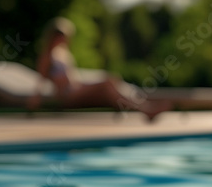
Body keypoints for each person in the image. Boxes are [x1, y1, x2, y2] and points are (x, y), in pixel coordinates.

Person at [30, 18, 171, 122]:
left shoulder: (64, 53)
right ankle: (145, 110)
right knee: (107, 83)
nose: (64, 40)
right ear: (53, 37)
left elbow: (72, 76)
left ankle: (143, 107)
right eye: (60, 37)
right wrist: (34, 104)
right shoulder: (47, 56)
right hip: (66, 95)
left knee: (112, 80)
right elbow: (41, 79)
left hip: (75, 89)